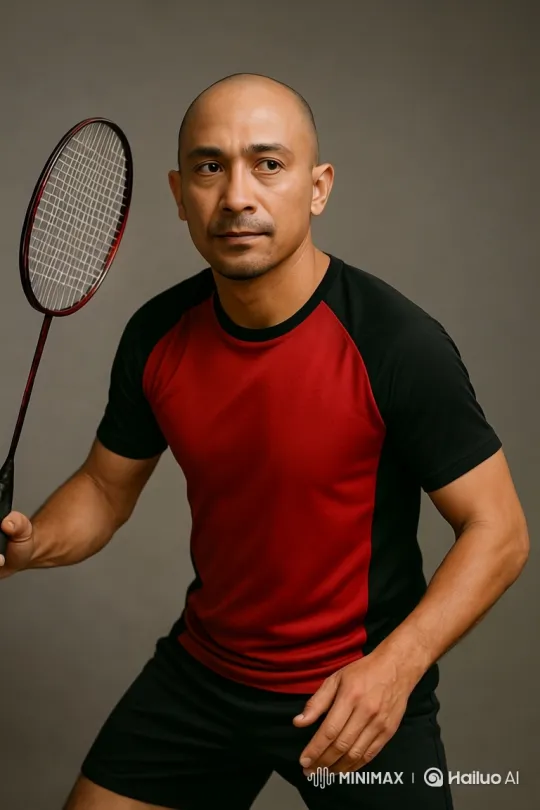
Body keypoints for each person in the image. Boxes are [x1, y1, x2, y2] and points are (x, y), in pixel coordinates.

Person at [0, 72, 529, 810]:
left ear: (318, 188)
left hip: (355, 689)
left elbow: (499, 532)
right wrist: (30, 545)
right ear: (179, 192)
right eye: (209, 167)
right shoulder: (158, 335)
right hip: (205, 679)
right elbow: (102, 490)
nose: (237, 196)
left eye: (268, 164)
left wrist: (395, 669)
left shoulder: (395, 342)